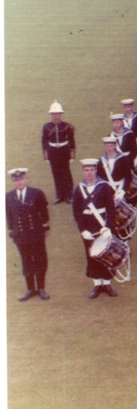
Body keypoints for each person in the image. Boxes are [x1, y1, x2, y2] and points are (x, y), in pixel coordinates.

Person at [72, 158, 119, 298]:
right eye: (86, 170)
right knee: (92, 255)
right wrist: (82, 230)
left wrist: (108, 227)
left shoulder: (104, 186)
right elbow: (76, 211)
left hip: (102, 224)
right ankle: (97, 285)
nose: (89, 173)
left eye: (92, 170)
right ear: (83, 171)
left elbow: (111, 208)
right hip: (88, 226)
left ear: (96, 170)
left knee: (106, 254)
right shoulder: (79, 188)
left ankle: (107, 284)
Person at [6, 168, 51, 301]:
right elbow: (9, 215)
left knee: (39, 259)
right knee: (26, 261)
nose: (19, 182)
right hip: (20, 234)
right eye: (16, 180)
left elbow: (43, 211)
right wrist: (10, 230)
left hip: (35, 233)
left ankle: (41, 288)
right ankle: (30, 289)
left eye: (21, 179)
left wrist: (45, 227)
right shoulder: (8, 196)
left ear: (25, 179)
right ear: (12, 182)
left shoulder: (36, 193)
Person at [41, 100, 76, 204]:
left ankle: (69, 195)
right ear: (51, 114)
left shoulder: (67, 126)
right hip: (53, 152)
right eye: (53, 114)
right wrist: (46, 155)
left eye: (58, 113)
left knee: (66, 173)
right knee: (56, 174)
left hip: (64, 151)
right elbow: (44, 140)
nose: (56, 116)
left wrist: (72, 155)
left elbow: (71, 140)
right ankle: (59, 195)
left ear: (61, 114)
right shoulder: (47, 126)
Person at [96, 136, 134, 206]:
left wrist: (122, 191)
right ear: (104, 147)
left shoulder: (123, 159)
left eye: (111, 146)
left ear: (115, 146)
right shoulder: (101, 161)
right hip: (107, 190)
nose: (109, 148)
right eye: (106, 146)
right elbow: (98, 178)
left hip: (120, 188)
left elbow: (128, 177)